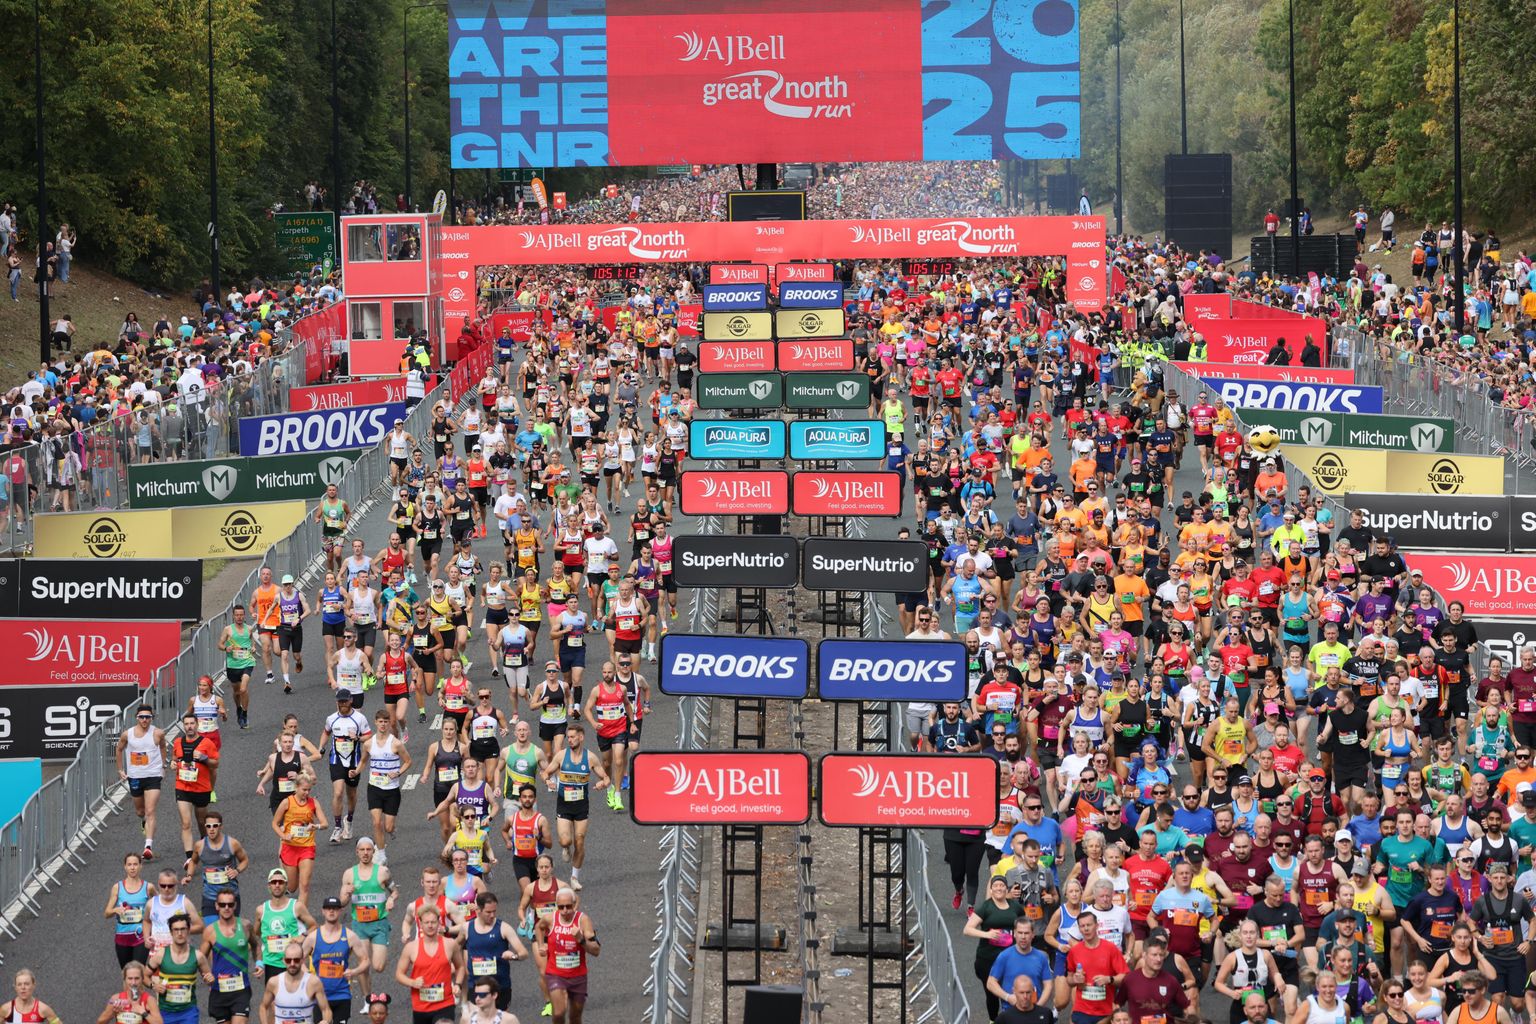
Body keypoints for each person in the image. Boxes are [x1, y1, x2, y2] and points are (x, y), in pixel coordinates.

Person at [542, 723, 610, 892]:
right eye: (568, 737)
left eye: (573, 737)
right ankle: (565, 848)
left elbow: (606, 777)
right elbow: (546, 772)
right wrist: (547, 780)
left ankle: (574, 877)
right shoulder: (561, 756)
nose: (570, 740)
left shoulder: (590, 758)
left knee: (579, 841)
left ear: (581, 737)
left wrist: (603, 783)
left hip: (581, 805)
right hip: (564, 804)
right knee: (566, 840)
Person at [533, 890, 598, 1024]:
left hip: (578, 976)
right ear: (556, 905)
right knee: (558, 1013)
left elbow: (596, 950)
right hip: (555, 974)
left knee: (575, 1017)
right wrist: (541, 944)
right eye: (561, 907)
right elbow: (539, 927)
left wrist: (581, 940)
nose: (564, 910)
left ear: (574, 905)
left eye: (568, 906)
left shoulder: (582, 920)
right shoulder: (550, 918)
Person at [338, 838, 396, 987]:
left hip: (379, 924)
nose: (365, 853)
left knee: (378, 966)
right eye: (362, 850)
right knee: (363, 964)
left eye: (368, 850)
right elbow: (342, 903)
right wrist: (346, 895)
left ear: (373, 852)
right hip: (359, 925)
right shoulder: (349, 874)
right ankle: (367, 1000)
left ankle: (380, 951)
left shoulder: (383, 872)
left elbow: (395, 891)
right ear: (357, 852)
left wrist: (391, 899)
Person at [301, 898, 367, 1024]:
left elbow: (365, 960)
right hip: (319, 995)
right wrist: (308, 975)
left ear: (340, 911)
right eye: (328, 908)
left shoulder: (349, 936)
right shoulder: (313, 937)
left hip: (342, 994)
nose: (331, 911)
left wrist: (354, 971)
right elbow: (299, 960)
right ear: (323, 911)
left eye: (335, 908)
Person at [200, 887, 259, 1024]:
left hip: (241, 989)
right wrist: (206, 975)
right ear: (216, 906)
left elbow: (256, 945)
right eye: (222, 904)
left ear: (235, 905)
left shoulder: (245, 926)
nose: (226, 908)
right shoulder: (210, 931)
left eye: (230, 904)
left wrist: (259, 963)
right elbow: (200, 959)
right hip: (219, 991)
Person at [394, 905, 462, 1024]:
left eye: (433, 922)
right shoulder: (411, 948)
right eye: (426, 922)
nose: (430, 925)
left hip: (445, 1003)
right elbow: (399, 974)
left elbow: (460, 967)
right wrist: (413, 983)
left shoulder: (450, 944)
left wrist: (458, 984)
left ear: (439, 922)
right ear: (420, 923)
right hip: (421, 1006)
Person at [462, 892, 529, 1012]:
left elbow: (524, 953)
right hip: (476, 986)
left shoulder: (504, 928)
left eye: (494, 911)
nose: (492, 915)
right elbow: (455, 945)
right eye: (488, 912)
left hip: (500, 987)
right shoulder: (467, 928)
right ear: (478, 910)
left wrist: (513, 956)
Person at [183, 812, 250, 924]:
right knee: (212, 931)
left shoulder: (232, 844)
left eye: (215, 825)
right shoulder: (200, 845)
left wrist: (237, 871)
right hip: (210, 896)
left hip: (230, 896)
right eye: (208, 826)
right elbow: (193, 861)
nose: (212, 829)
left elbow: (245, 860)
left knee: (230, 932)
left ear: (221, 826)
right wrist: (189, 876)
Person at [118, 708, 166, 859]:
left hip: (153, 775)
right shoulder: (127, 734)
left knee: (150, 810)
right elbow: (119, 749)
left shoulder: (158, 733)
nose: (145, 720)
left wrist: (163, 766)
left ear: (152, 718)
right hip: (135, 776)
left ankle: (148, 846)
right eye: (142, 717)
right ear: (137, 718)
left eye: (148, 717)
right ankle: (144, 821)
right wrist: (120, 770)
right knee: (141, 811)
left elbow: (163, 747)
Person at [171, 713, 219, 863]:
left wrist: (204, 758)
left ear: (197, 725)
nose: (189, 727)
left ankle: (205, 843)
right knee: (186, 823)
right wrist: (173, 764)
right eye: (186, 724)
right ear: (183, 726)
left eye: (192, 723)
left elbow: (215, 764)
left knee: (201, 822)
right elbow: (175, 759)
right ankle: (189, 858)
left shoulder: (206, 743)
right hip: (182, 787)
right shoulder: (178, 742)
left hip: (201, 788)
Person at [148, 912, 211, 1024]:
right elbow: (144, 975)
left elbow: (209, 979)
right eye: (176, 930)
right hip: (165, 1012)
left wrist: (210, 980)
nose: (180, 933)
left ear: (188, 930)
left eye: (183, 929)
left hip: (188, 1012)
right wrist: (153, 985)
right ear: (171, 932)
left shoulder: (198, 956)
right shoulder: (161, 954)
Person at [255, 869, 316, 982]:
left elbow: (314, 926)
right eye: (274, 882)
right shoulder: (261, 910)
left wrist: (303, 935)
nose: (277, 885)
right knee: (273, 998)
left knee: (295, 997)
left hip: (292, 962)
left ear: (286, 885)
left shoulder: (296, 907)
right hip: (271, 962)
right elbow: (256, 933)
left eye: (280, 882)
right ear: (269, 886)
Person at [258, 940, 331, 1024]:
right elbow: (263, 1007)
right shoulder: (274, 982)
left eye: (296, 960)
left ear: (302, 960)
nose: (292, 964)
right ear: (283, 961)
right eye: (288, 960)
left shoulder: (313, 982)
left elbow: (326, 1010)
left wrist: (325, 1021)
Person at [107, 852, 154, 966]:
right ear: (125, 867)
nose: (132, 868)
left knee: (138, 970)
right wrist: (115, 910)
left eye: (135, 864)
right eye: (129, 865)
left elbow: (159, 905)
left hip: (141, 936)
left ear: (140, 866)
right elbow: (107, 912)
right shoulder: (117, 887)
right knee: (126, 974)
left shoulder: (148, 887)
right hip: (122, 937)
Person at [97, 962, 161, 1024]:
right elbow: (100, 1022)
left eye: (137, 978)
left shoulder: (149, 1000)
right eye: (130, 978)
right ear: (125, 979)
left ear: (142, 979)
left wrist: (143, 1013)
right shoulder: (116, 998)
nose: (133, 982)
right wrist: (113, 1013)